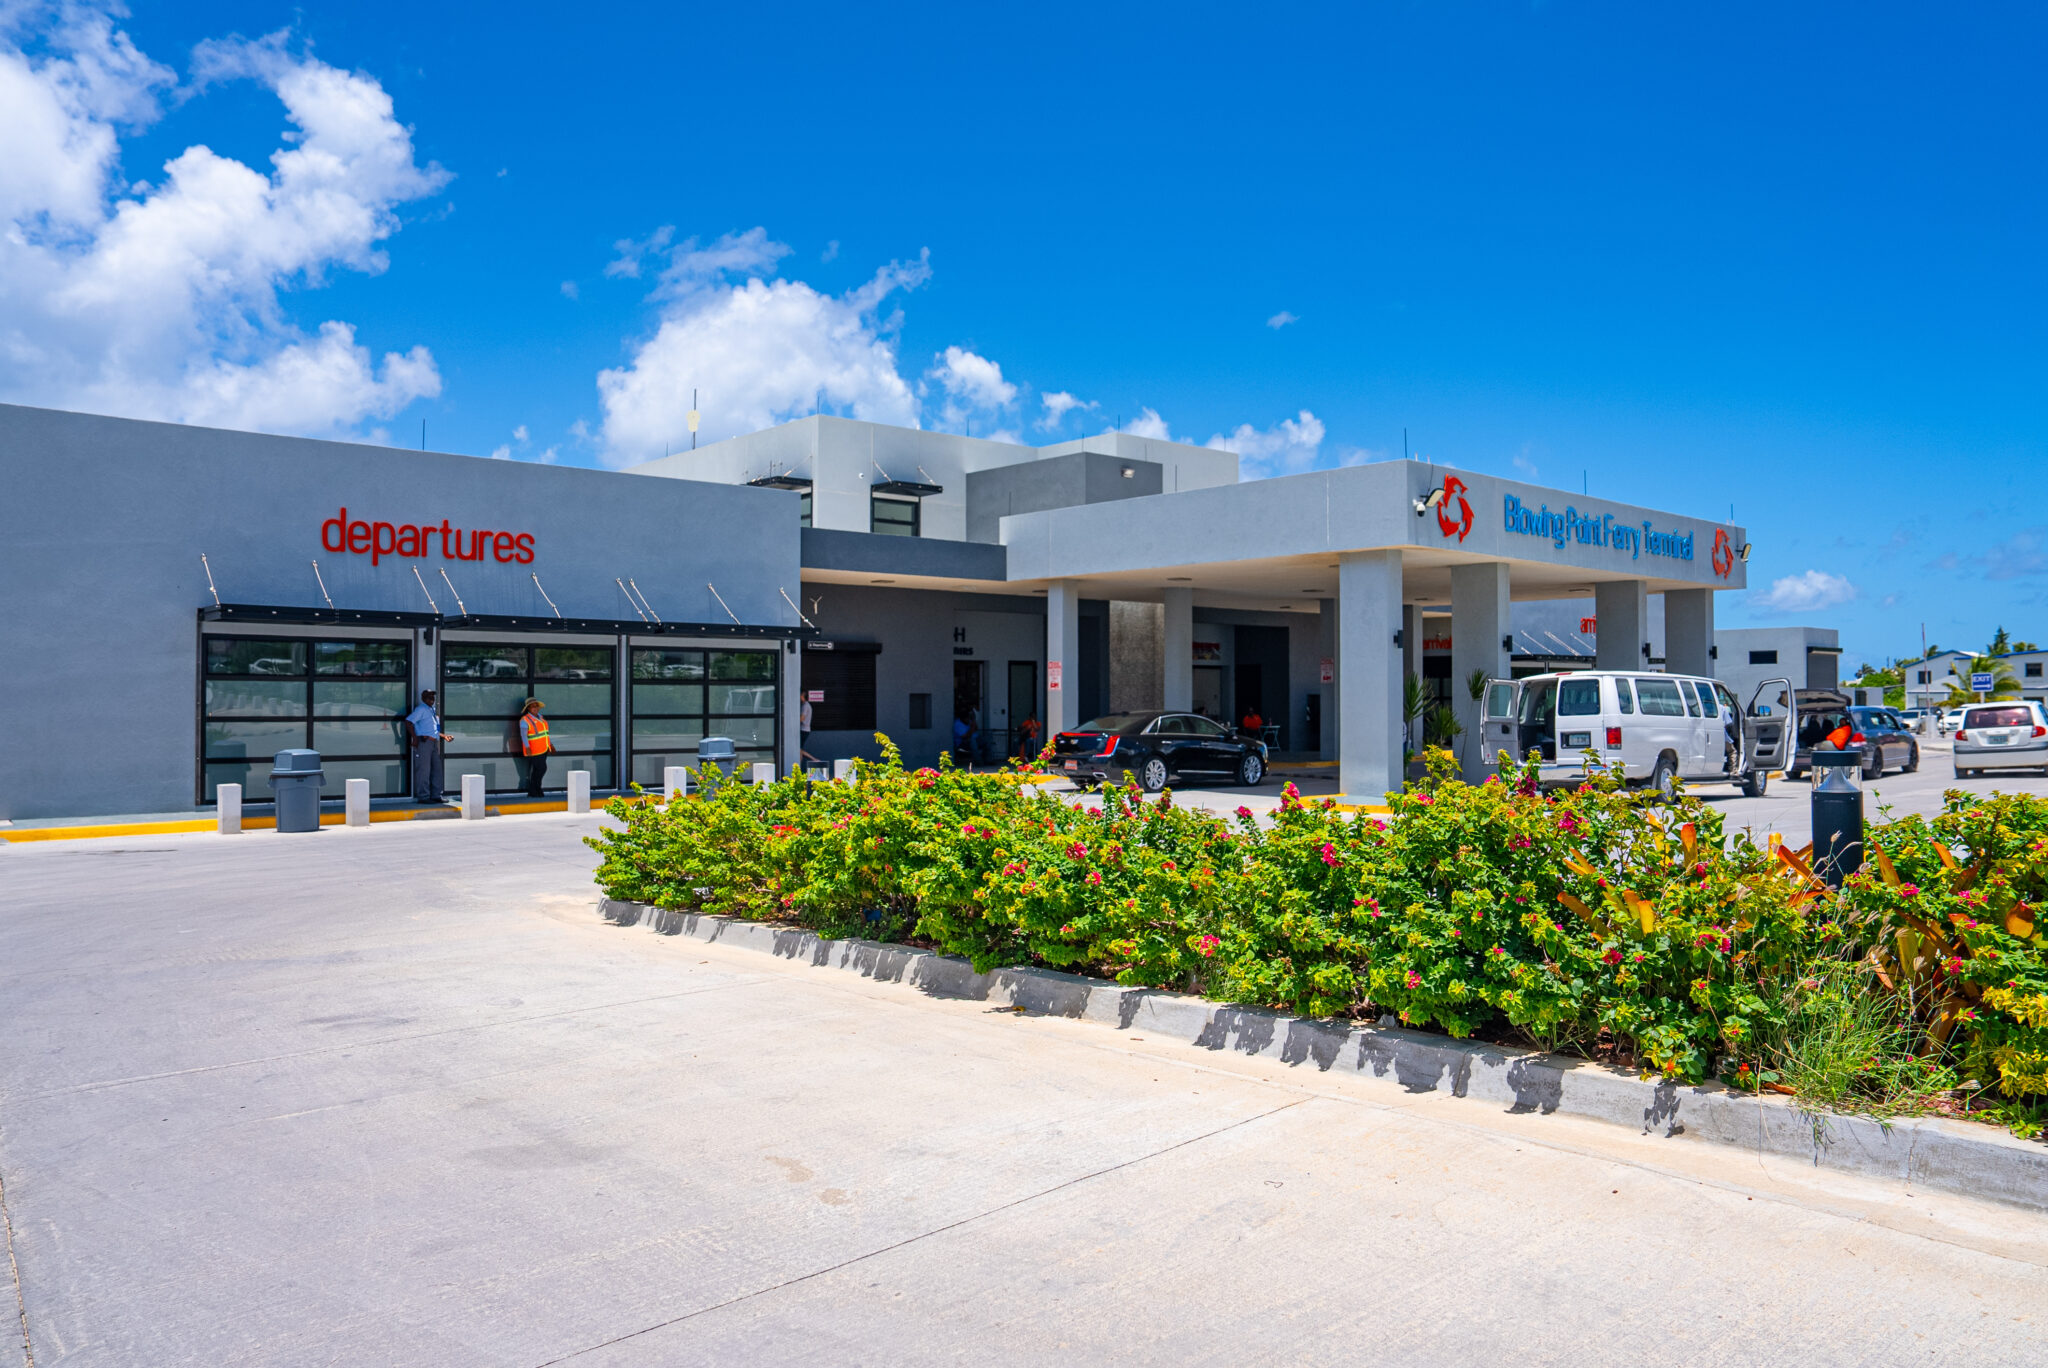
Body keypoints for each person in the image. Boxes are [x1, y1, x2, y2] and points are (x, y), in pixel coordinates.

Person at [405, 689, 446, 803]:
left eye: (433, 697)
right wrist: (415, 737)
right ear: (423, 698)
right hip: (424, 743)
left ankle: (436, 795)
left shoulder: (432, 710)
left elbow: (434, 729)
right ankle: (423, 797)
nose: (431, 699)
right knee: (424, 770)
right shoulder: (421, 709)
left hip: (433, 743)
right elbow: (408, 722)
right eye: (429, 697)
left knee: (436, 769)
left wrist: (444, 736)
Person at [518, 698, 551, 797]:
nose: (535, 708)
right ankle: (536, 789)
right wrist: (527, 748)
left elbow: (544, 733)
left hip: (543, 748)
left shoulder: (541, 717)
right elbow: (523, 735)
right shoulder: (525, 720)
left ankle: (534, 791)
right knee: (542, 768)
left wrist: (550, 745)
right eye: (533, 706)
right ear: (528, 708)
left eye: (536, 706)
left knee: (538, 770)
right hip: (534, 750)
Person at [799, 695, 820, 767]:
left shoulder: (805, 706)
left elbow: (802, 718)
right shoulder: (807, 705)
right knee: (799, 750)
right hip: (805, 730)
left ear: (802, 695)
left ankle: (814, 759)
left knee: (798, 749)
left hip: (803, 730)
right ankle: (799, 769)